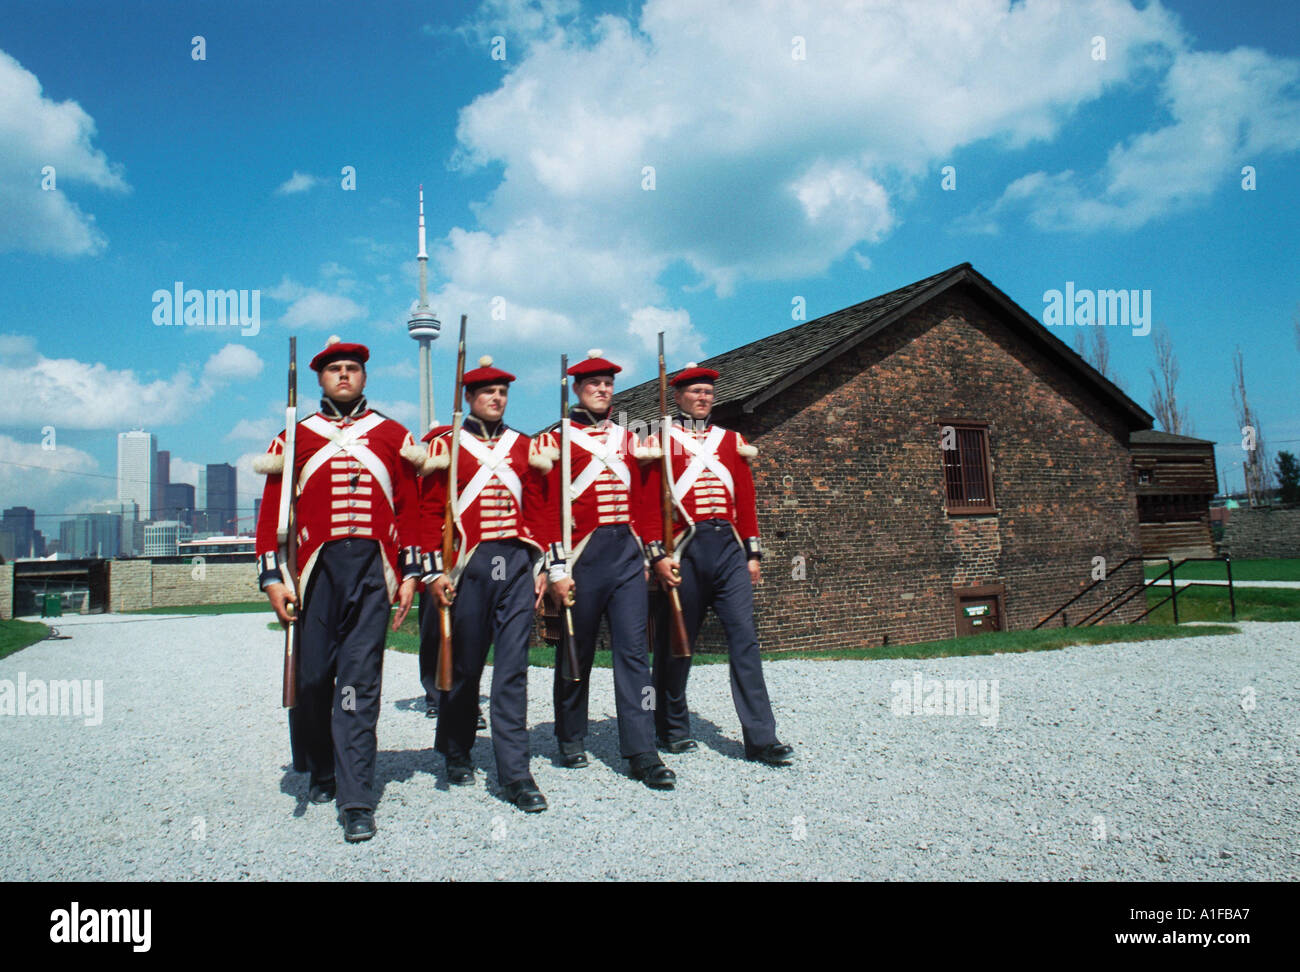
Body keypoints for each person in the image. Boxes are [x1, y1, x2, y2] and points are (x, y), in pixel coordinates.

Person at [254, 336, 428, 842]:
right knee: (311, 679)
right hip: (316, 572)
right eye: (335, 369)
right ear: (320, 379)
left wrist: (411, 573)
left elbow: (410, 508)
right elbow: (272, 513)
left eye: (353, 368)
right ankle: (320, 765)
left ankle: (357, 798)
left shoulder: (393, 434)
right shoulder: (295, 435)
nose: (345, 375)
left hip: (374, 570)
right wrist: (271, 578)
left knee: (359, 683)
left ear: (365, 377)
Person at [532, 350, 676, 790]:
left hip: (626, 555)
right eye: (594, 383)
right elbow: (545, 511)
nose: (602, 389)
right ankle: (570, 735)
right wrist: (556, 568)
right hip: (582, 556)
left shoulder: (630, 438)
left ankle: (641, 751)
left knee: (633, 653)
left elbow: (648, 502)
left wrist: (657, 553)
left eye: (608, 383)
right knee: (576, 648)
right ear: (577, 389)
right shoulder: (556, 440)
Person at [642, 363, 794, 766]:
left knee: (744, 640)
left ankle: (762, 738)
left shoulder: (731, 440)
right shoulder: (660, 441)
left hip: (727, 549)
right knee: (679, 641)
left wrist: (753, 552)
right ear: (677, 397)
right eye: (694, 391)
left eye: (708, 391)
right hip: (684, 550)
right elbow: (647, 505)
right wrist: (656, 555)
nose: (702, 396)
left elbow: (744, 498)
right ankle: (671, 726)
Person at [419, 357, 551, 812]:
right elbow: (429, 511)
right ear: (469, 398)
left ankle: (516, 772)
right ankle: (455, 748)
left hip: (514, 561)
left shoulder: (523, 445)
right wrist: (434, 572)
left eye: (502, 392)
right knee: (465, 665)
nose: (497, 398)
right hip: (469, 564)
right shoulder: (445, 444)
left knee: (512, 669)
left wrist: (543, 565)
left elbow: (538, 508)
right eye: (487, 392)